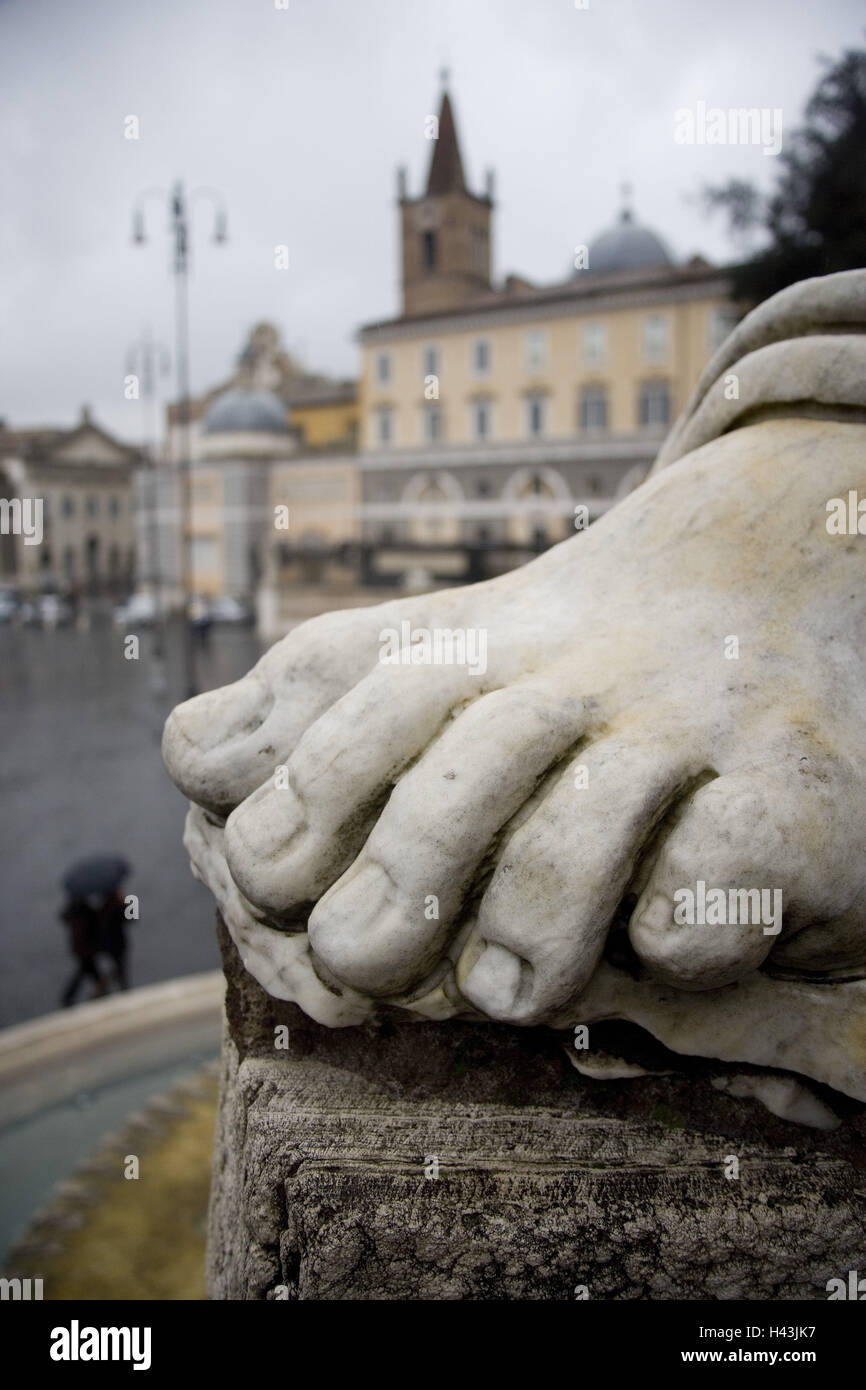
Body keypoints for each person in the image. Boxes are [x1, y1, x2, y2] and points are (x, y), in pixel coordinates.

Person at [59, 897, 107, 1007]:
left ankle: (69, 997)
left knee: (85, 971)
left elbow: (63, 917)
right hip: (87, 948)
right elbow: (96, 923)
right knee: (86, 971)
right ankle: (102, 991)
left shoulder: (73, 910)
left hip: (78, 947)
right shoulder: (87, 911)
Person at [96, 888, 130, 991]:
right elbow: (132, 918)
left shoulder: (103, 905)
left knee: (118, 969)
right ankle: (120, 989)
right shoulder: (115, 905)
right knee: (120, 970)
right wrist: (126, 903)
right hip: (117, 943)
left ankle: (105, 985)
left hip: (108, 943)